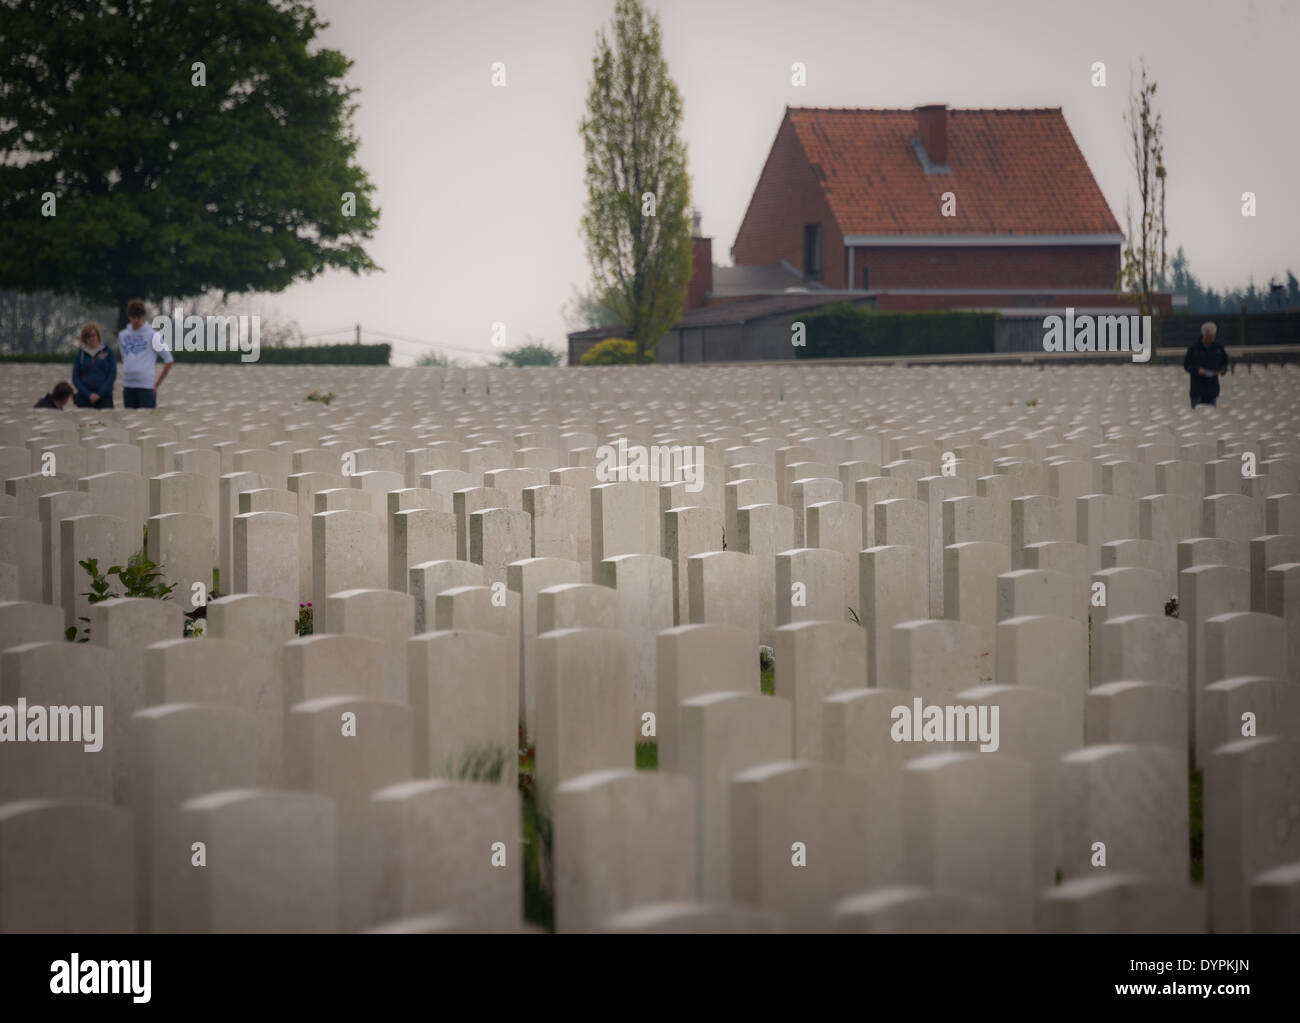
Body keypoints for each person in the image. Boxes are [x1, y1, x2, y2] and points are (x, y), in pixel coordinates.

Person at [117, 298, 174, 409]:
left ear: (143, 317)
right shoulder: (122, 335)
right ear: (129, 317)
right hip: (128, 385)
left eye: (139, 317)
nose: (136, 320)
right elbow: (125, 357)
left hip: (146, 386)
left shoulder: (153, 335)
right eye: (133, 317)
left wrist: (157, 384)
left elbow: (168, 359)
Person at [1183, 321, 1229, 408]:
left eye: (1212, 336)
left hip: (1212, 389)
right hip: (1197, 389)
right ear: (1203, 335)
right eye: (1208, 336)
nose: (1210, 339)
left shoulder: (1218, 349)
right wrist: (1197, 370)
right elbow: (1187, 365)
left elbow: (1224, 363)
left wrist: (1222, 370)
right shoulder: (1194, 349)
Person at [71, 322, 116, 408]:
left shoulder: (107, 351)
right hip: (84, 397)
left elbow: (112, 375)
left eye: (93, 335)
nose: (91, 338)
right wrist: (88, 394)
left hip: (104, 397)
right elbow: (75, 378)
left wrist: (99, 394)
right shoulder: (80, 354)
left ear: (98, 336)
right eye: (88, 336)